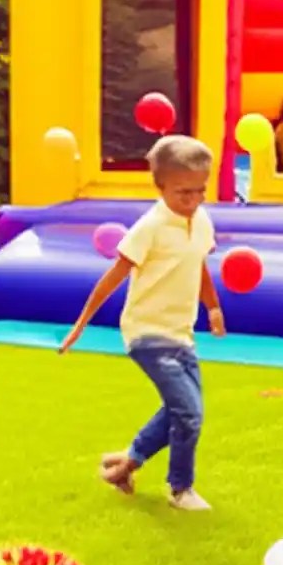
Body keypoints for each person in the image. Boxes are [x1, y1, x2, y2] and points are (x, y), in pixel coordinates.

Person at [59, 135, 222, 511]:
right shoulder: (150, 227)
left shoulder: (200, 221)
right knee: (190, 414)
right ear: (160, 186)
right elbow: (114, 276)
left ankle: (124, 465)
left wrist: (213, 308)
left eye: (201, 191)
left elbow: (198, 265)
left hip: (181, 333)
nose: (194, 200)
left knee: (180, 410)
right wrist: (80, 324)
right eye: (184, 193)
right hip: (146, 333)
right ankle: (180, 488)